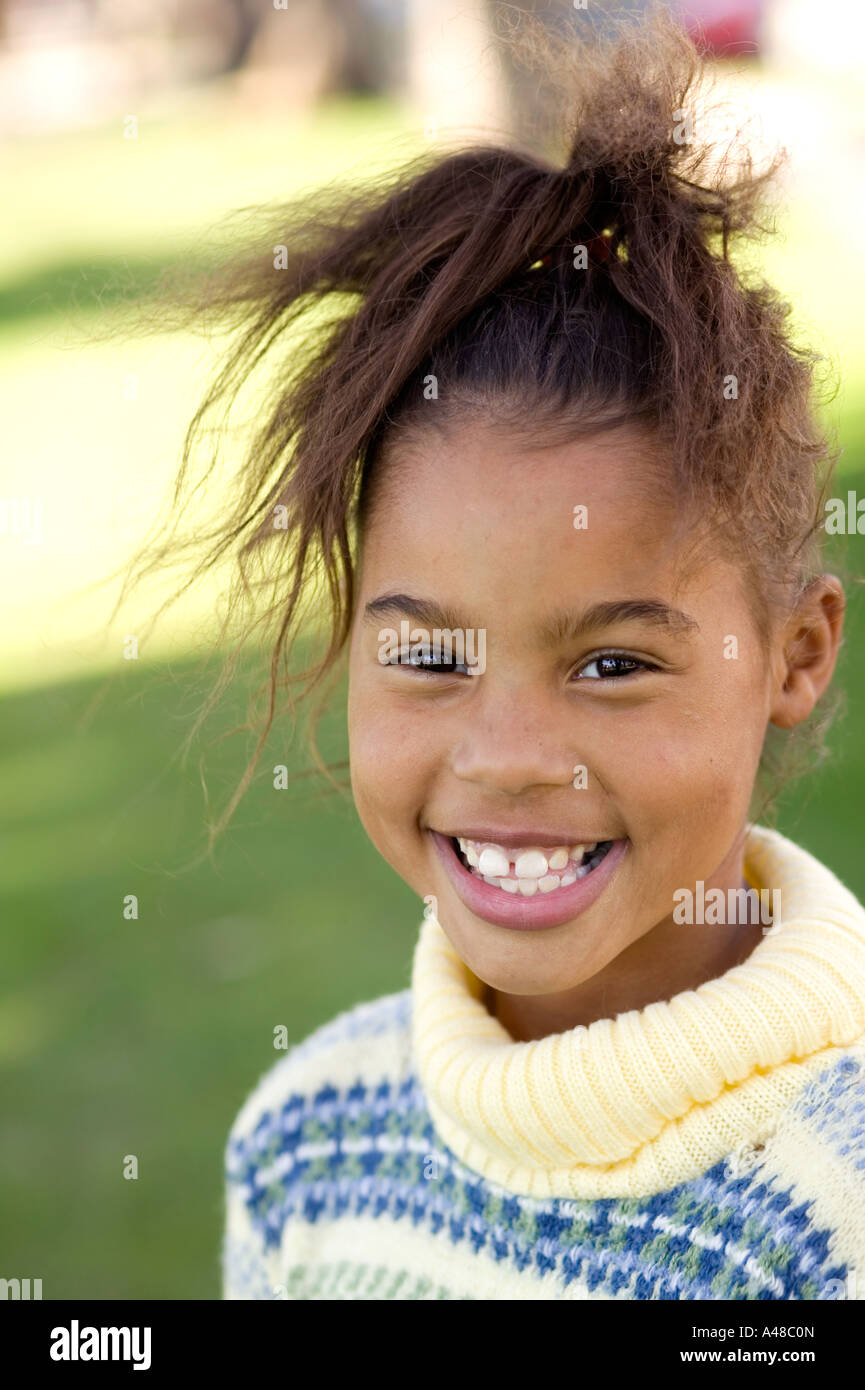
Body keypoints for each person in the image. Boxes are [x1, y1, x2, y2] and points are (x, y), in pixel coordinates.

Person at [159, 7, 865, 1298]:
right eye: (430, 655)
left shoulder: (834, 1208)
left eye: (610, 664)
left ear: (794, 653)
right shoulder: (303, 1144)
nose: (509, 759)